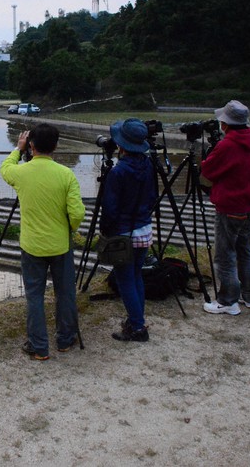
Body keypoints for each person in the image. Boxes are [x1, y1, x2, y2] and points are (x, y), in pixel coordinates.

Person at [0, 123, 86, 360]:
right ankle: (65, 340)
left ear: (31, 145)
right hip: (61, 245)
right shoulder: (66, 174)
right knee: (65, 292)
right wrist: (69, 228)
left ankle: (39, 347)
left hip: (32, 246)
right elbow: (77, 213)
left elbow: (6, 168)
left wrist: (18, 150)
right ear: (56, 146)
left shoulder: (20, 173)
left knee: (35, 296)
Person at [200, 100, 250, 315]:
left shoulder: (228, 145)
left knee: (225, 255)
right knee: (245, 250)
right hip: (248, 207)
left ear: (226, 124)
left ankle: (228, 301)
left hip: (229, 207)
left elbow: (208, 171)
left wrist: (206, 155)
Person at [99, 118, 157, 342]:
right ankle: (136, 320)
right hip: (144, 230)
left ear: (122, 145)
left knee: (125, 281)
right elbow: (152, 197)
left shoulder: (118, 172)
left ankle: (138, 327)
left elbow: (110, 209)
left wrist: (106, 232)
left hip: (124, 234)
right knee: (136, 277)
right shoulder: (148, 164)